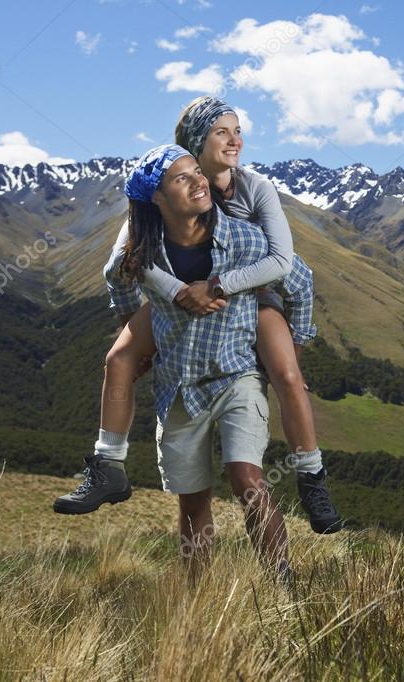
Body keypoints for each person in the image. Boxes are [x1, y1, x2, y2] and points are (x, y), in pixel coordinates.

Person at [53, 97, 341, 534]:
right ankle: (108, 464)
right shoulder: (168, 179)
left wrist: (228, 291)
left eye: (237, 131)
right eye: (221, 132)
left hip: (254, 293)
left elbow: (286, 265)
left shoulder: (252, 189)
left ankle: (311, 476)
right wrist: (161, 301)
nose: (234, 141)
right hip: (181, 296)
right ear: (193, 144)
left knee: (286, 372)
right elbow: (124, 261)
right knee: (119, 359)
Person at [96, 144, 290, 575]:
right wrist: (133, 327)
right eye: (180, 179)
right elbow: (117, 277)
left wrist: (292, 350)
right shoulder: (145, 251)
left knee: (247, 478)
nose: (198, 180)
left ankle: (283, 585)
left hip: (236, 373)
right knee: (193, 501)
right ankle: (198, 598)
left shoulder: (244, 238)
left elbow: (289, 270)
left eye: (195, 171)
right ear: (158, 201)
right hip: (178, 383)